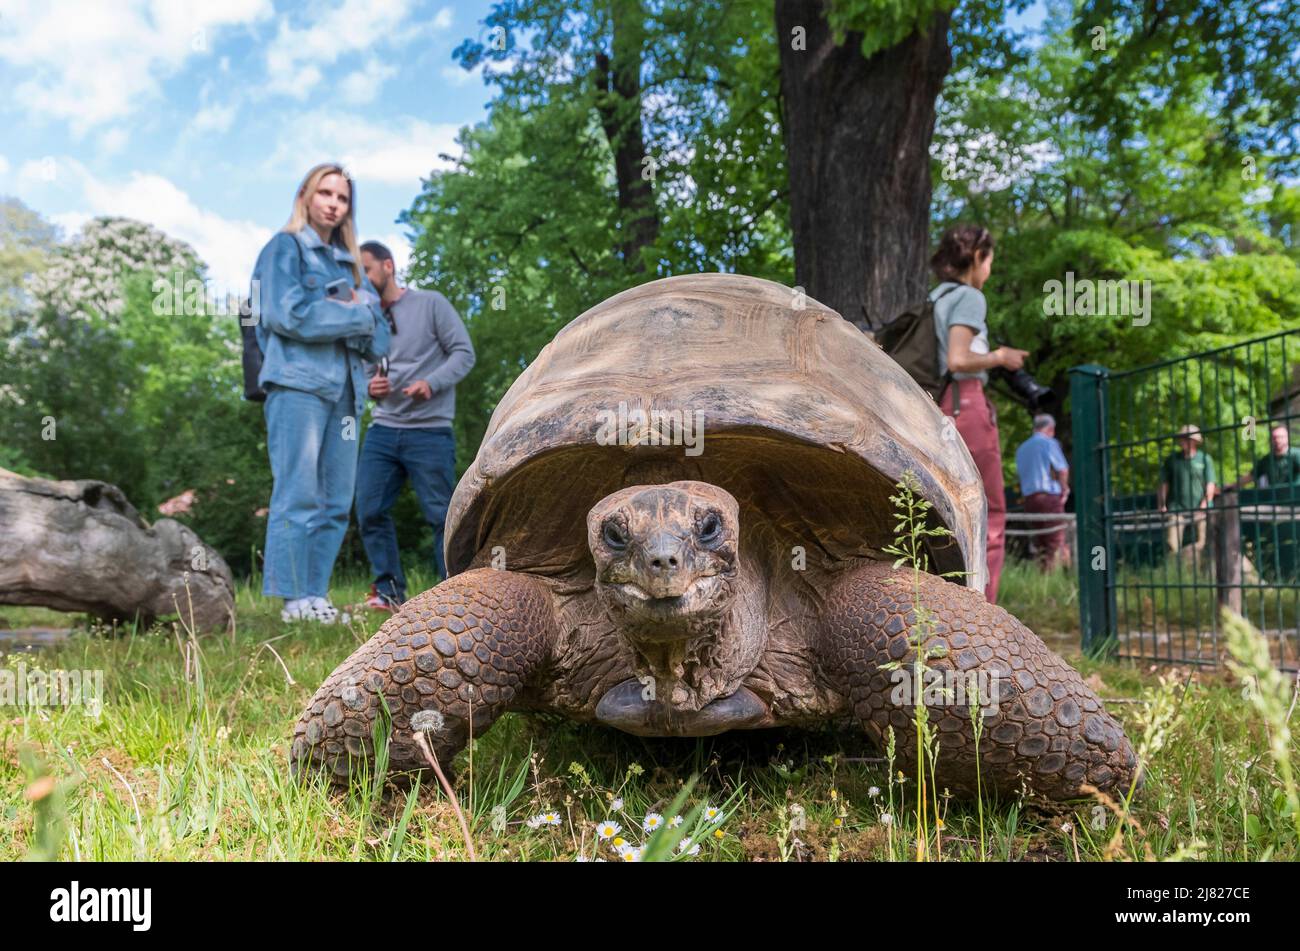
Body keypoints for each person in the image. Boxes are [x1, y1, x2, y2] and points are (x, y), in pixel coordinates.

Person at [251, 163, 390, 623]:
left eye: (343, 197)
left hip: (348, 395)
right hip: (299, 386)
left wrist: (349, 312)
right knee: (299, 492)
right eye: (325, 193)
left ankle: (315, 596)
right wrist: (356, 315)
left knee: (335, 501)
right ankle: (292, 600)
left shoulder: (351, 267)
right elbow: (286, 316)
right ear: (306, 196)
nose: (334, 203)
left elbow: (384, 340)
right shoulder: (283, 248)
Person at [354, 241, 476, 613]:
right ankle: (389, 592)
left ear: (388, 266)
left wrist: (431, 383)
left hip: (429, 429)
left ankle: (454, 594)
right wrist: (369, 386)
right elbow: (360, 370)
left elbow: (463, 353)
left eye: (367, 271)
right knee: (369, 508)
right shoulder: (363, 317)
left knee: (440, 514)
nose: (362, 279)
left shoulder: (431, 304)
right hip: (384, 427)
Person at [930, 225, 1028, 604]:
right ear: (976, 258)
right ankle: (983, 613)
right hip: (966, 404)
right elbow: (958, 359)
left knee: (947, 509)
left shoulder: (936, 296)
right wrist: (1001, 357)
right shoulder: (970, 297)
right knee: (990, 511)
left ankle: (943, 605)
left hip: (937, 409)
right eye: (989, 260)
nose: (990, 268)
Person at [1015, 413, 1071, 569]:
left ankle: (1044, 581)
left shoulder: (1021, 448)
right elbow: (1063, 469)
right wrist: (1064, 489)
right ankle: (1059, 583)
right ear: (1051, 429)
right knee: (1056, 542)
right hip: (1049, 498)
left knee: (1040, 544)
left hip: (1030, 501)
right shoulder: (1049, 443)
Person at [1158, 424, 1217, 562]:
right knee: (1171, 545)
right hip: (1176, 508)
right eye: (1182, 438)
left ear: (1195, 441)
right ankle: (1173, 571)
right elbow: (1163, 484)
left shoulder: (1205, 459)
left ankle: (1198, 570)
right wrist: (1162, 504)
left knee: (1203, 543)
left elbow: (1210, 484)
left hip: (1200, 508)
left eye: (1187, 438)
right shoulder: (1172, 460)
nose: (1183, 441)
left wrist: (1205, 503)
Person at [1236, 423, 1300, 489]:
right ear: (1270, 440)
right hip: (1276, 497)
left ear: (1287, 438)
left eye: (1281, 437)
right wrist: (1232, 486)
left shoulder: (1297, 454)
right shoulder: (1267, 459)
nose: (1277, 440)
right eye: (1274, 437)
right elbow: (1251, 476)